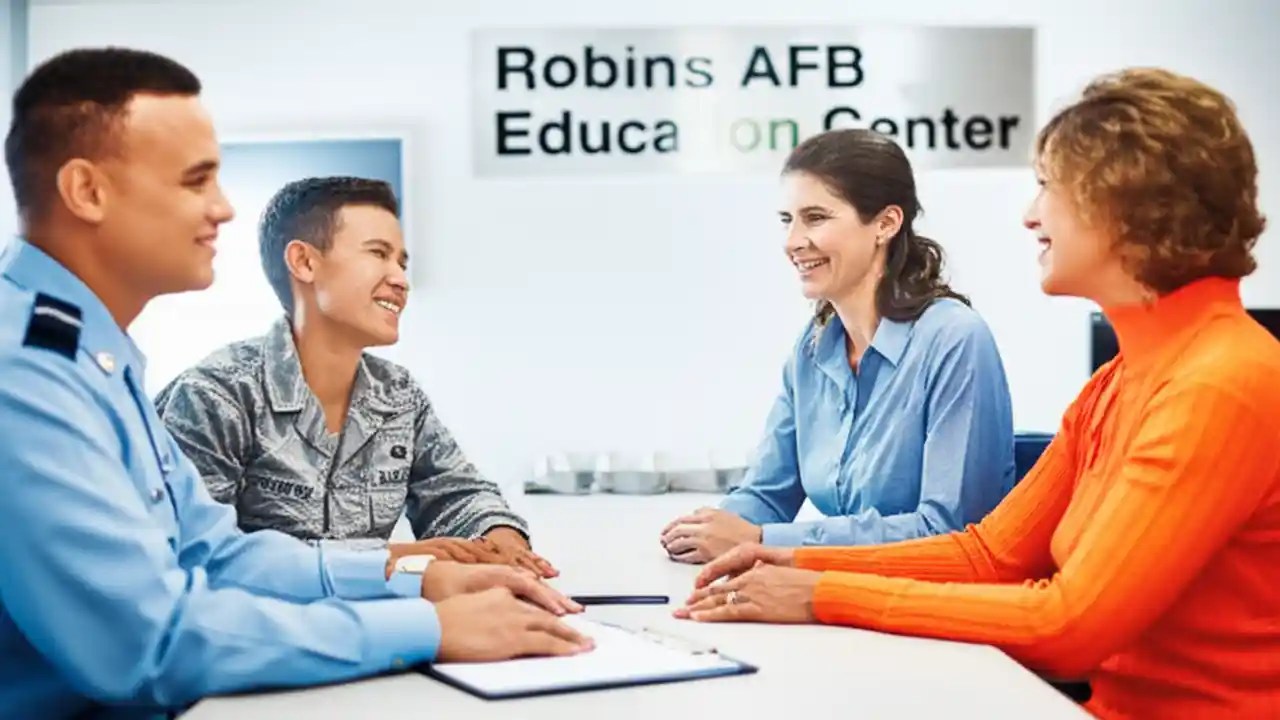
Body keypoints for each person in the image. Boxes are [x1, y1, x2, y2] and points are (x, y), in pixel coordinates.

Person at [0, 47, 590, 720]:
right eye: (195, 182)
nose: (222, 209)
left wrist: (418, 583)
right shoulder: (25, 374)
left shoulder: (95, 358)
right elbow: (149, 642)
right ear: (87, 192)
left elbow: (214, 554)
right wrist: (426, 628)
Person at [678, 68, 1280, 719]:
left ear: (1127, 205)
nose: (1029, 215)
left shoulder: (1221, 381)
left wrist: (818, 593)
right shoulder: (1123, 377)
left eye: (1048, 188)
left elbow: (1067, 627)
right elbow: (990, 553)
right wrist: (787, 558)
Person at [153, 176, 555, 578]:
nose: (400, 279)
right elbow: (198, 556)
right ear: (305, 262)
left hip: (376, 628)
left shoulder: (398, 394)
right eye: (378, 254)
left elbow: (457, 493)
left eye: (401, 262)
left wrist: (500, 542)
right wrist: (384, 560)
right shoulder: (216, 395)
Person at [660, 128, 1016, 563]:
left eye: (816, 218)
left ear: (885, 224)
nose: (792, 242)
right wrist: (711, 530)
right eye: (787, 220)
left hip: (930, 609)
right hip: (842, 596)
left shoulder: (955, 340)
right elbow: (768, 494)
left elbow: (947, 530)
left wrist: (760, 541)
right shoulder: (813, 349)